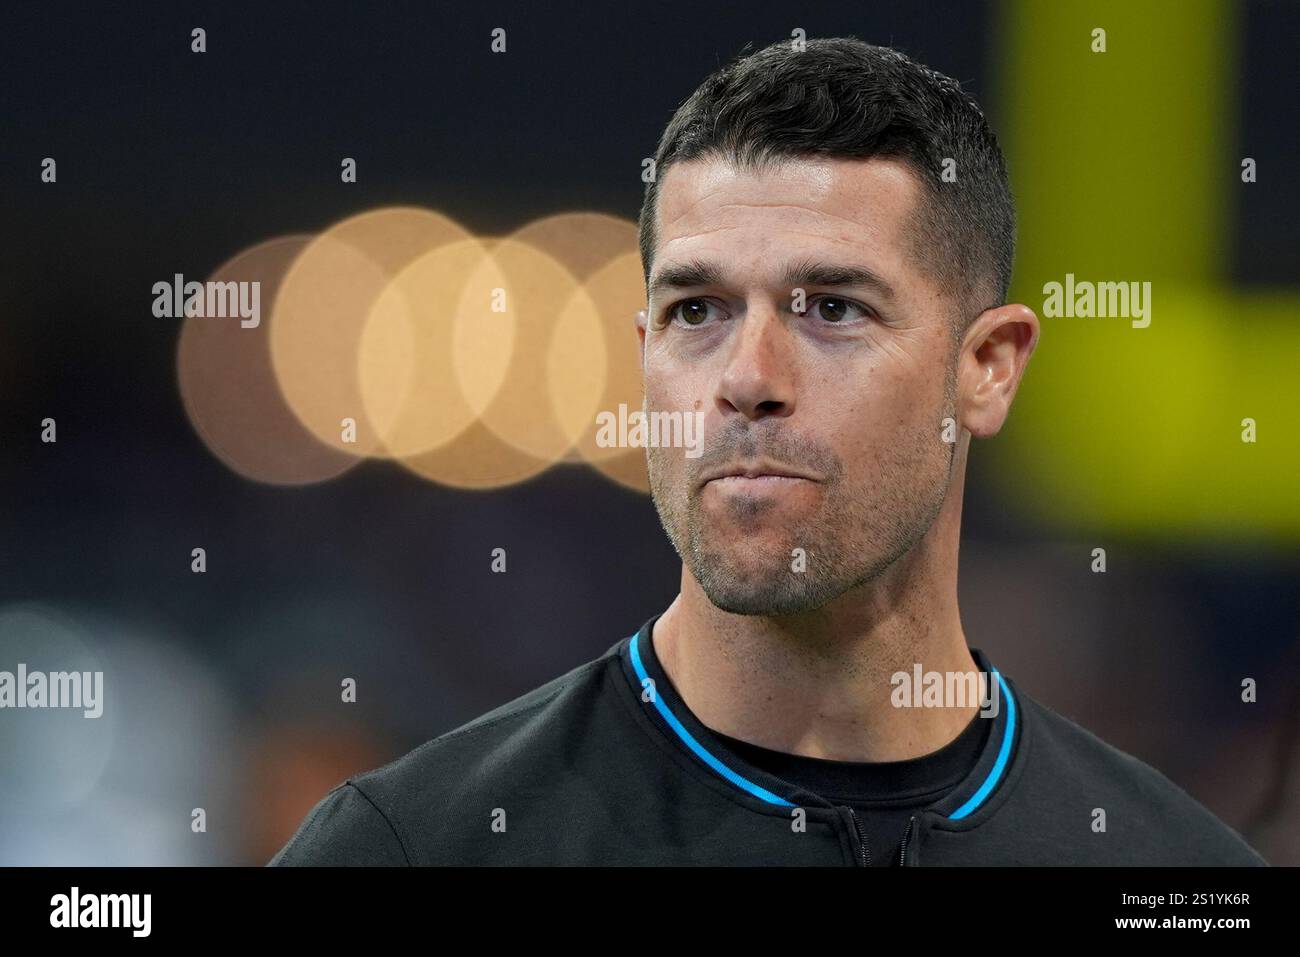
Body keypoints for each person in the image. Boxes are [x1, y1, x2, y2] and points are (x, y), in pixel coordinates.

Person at [270, 37, 1265, 866]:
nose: (747, 376)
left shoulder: (1176, 874)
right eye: (695, 310)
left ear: (989, 369)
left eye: (831, 308)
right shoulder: (415, 850)